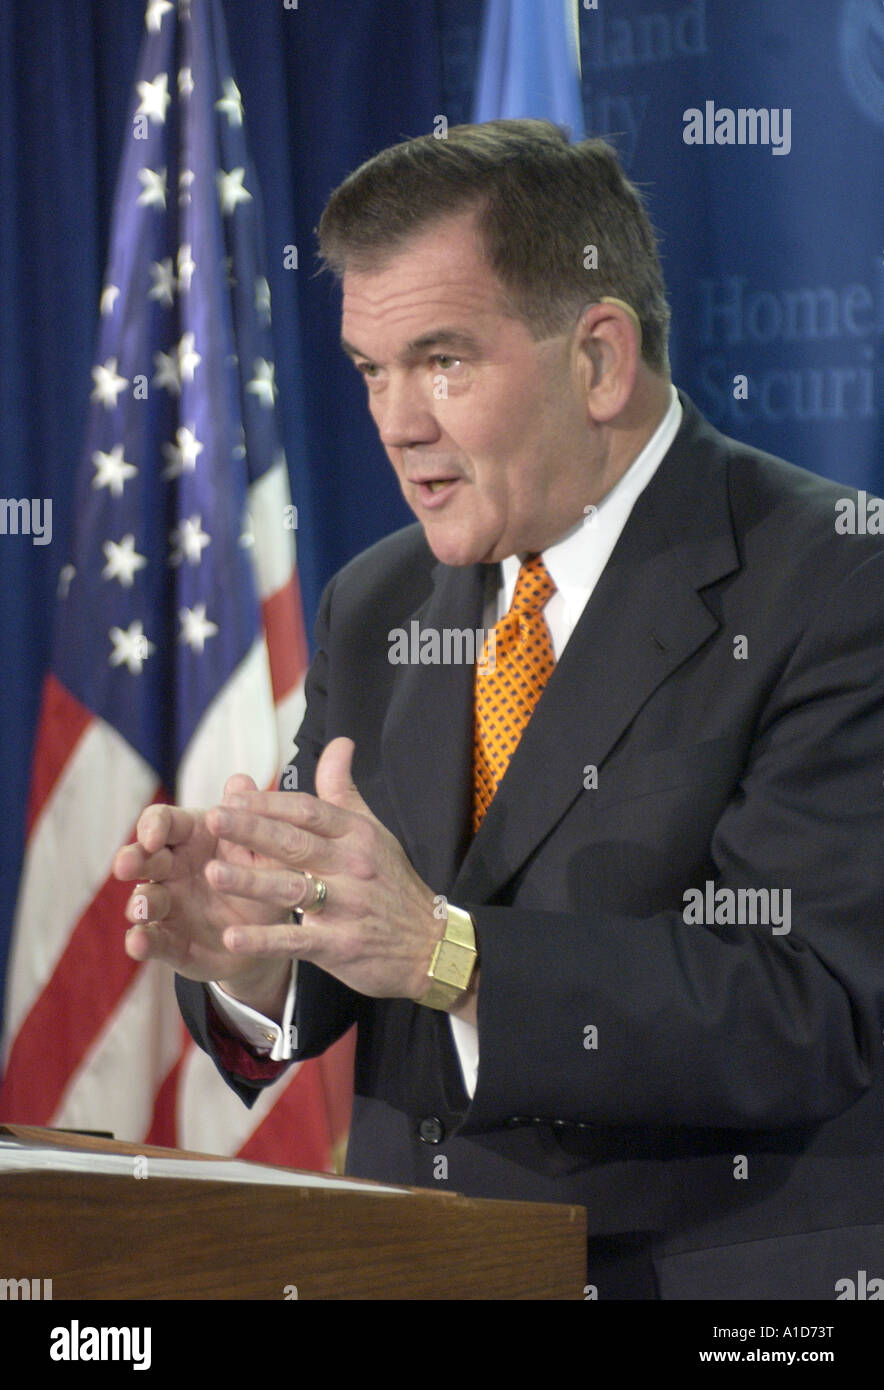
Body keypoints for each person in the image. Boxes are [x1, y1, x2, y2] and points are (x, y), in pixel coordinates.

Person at [114, 120, 884, 1300]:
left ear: (597, 361)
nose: (394, 421)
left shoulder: (831, 577)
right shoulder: (375, 600)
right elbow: (356, 944)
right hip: (417, 1276)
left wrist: (449, 953)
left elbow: (810, 1006)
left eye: (441, 361)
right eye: (369, 368)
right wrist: (252, 952)